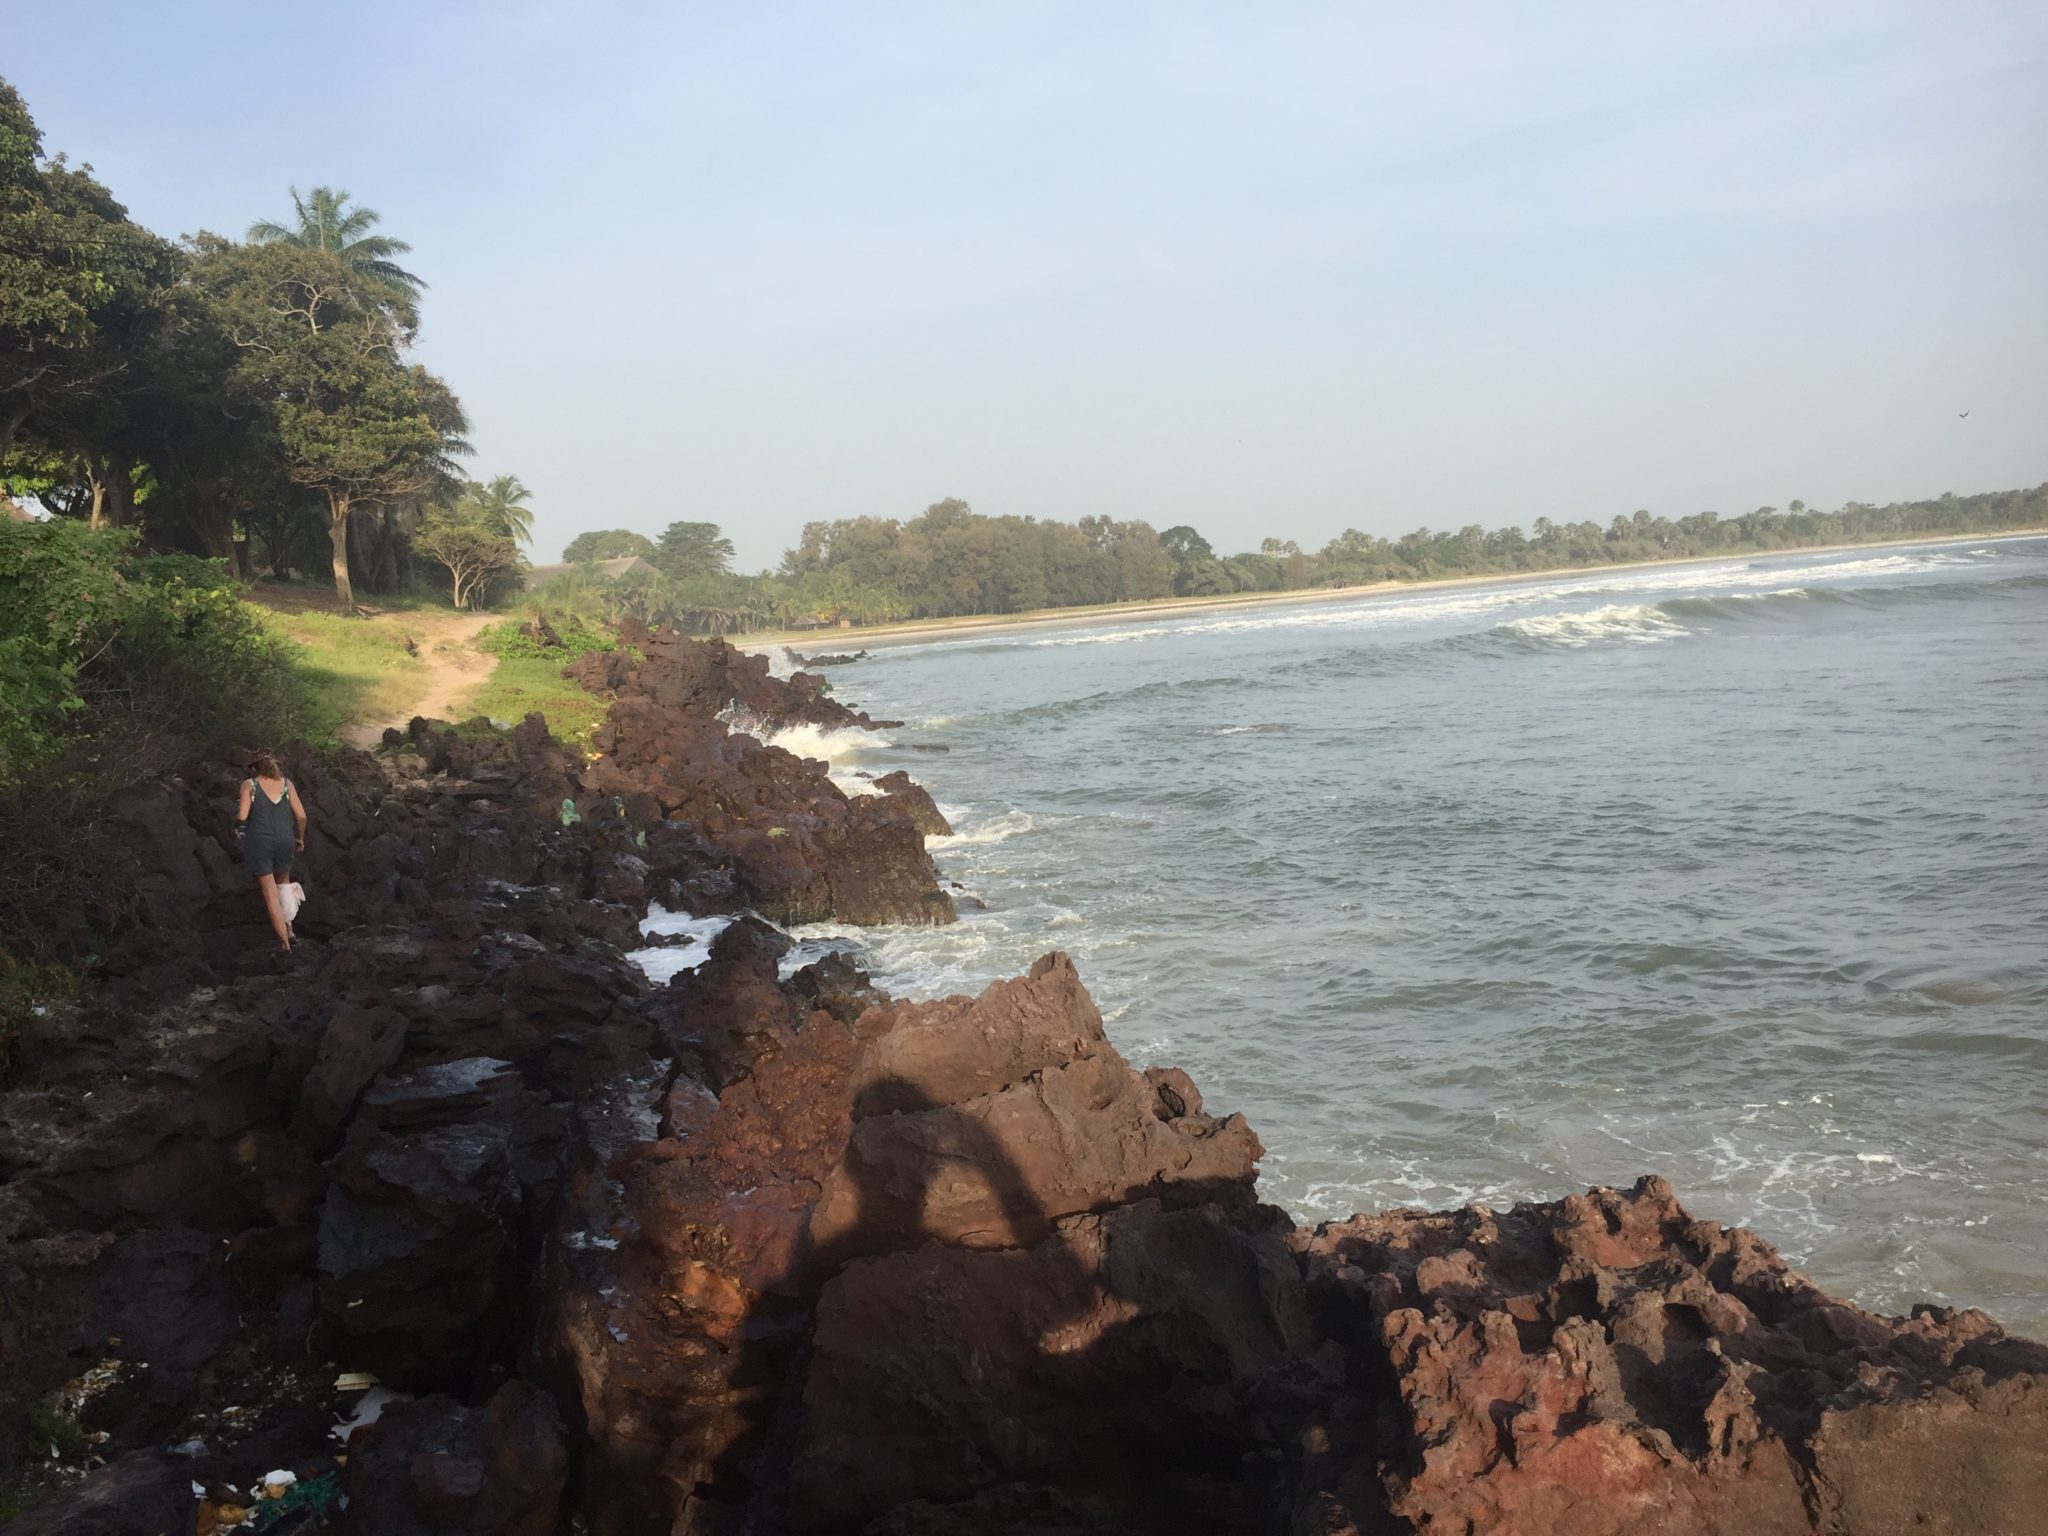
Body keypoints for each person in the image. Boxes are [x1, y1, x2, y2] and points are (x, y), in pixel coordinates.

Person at [236, 751, 307, 951]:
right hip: (285, 840)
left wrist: (236, 828)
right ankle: (290, 929)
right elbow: (301, 816)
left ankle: (285, 945)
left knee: (270, 894)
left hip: (261, 843)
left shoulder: (250, 785)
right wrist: (300, 837)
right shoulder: (287, 785)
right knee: (284, 885)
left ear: (255, 767)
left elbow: (242, 816)